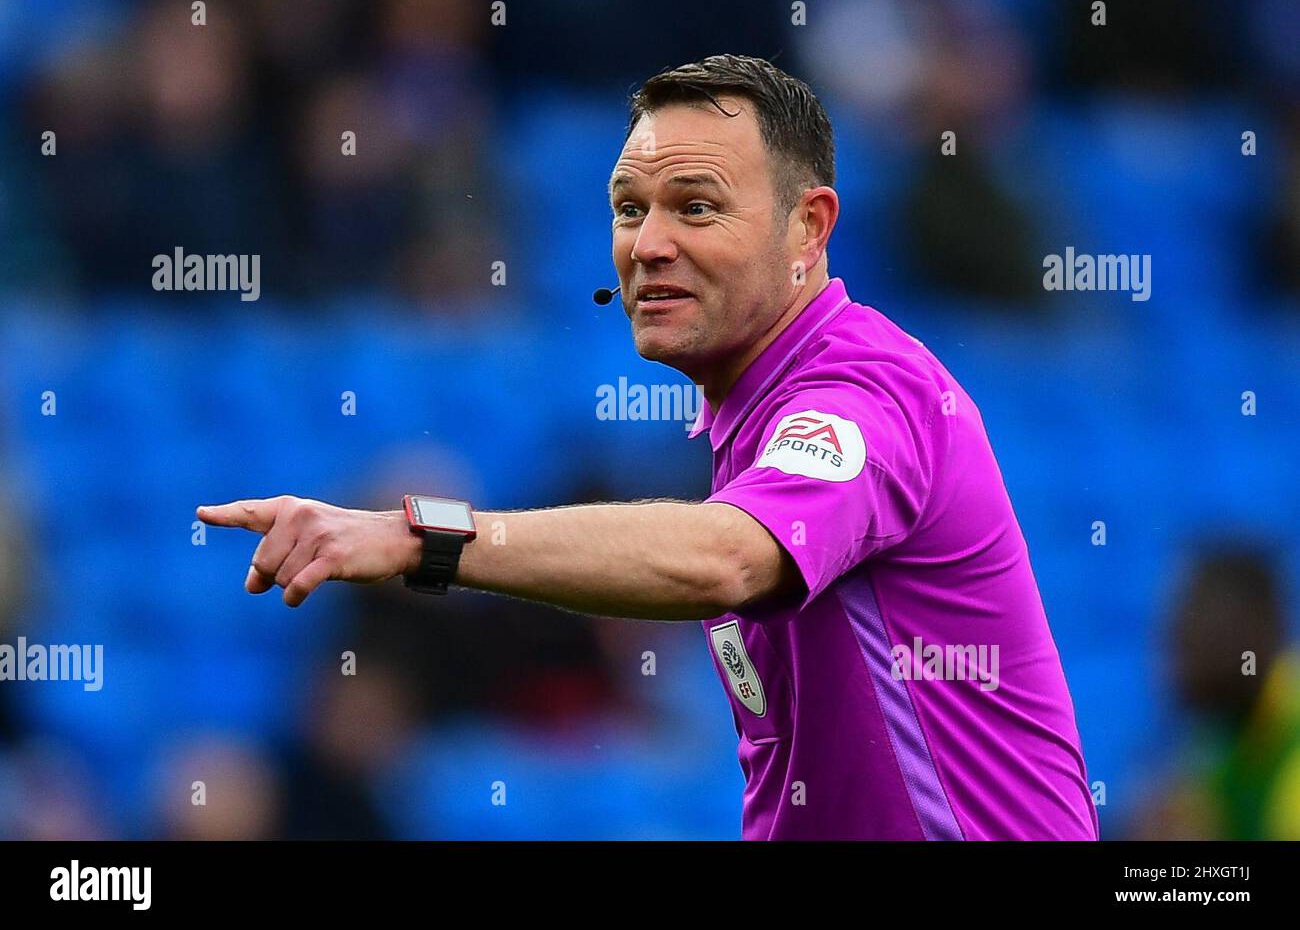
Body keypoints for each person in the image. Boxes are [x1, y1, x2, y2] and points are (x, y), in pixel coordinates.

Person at [199, 54, 1097, 840]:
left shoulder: (862, 393)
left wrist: (421, 537)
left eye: (697, 207)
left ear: (809, 229)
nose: (649, 244)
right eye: (630, 208)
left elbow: (722, 559)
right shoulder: (754, 420)